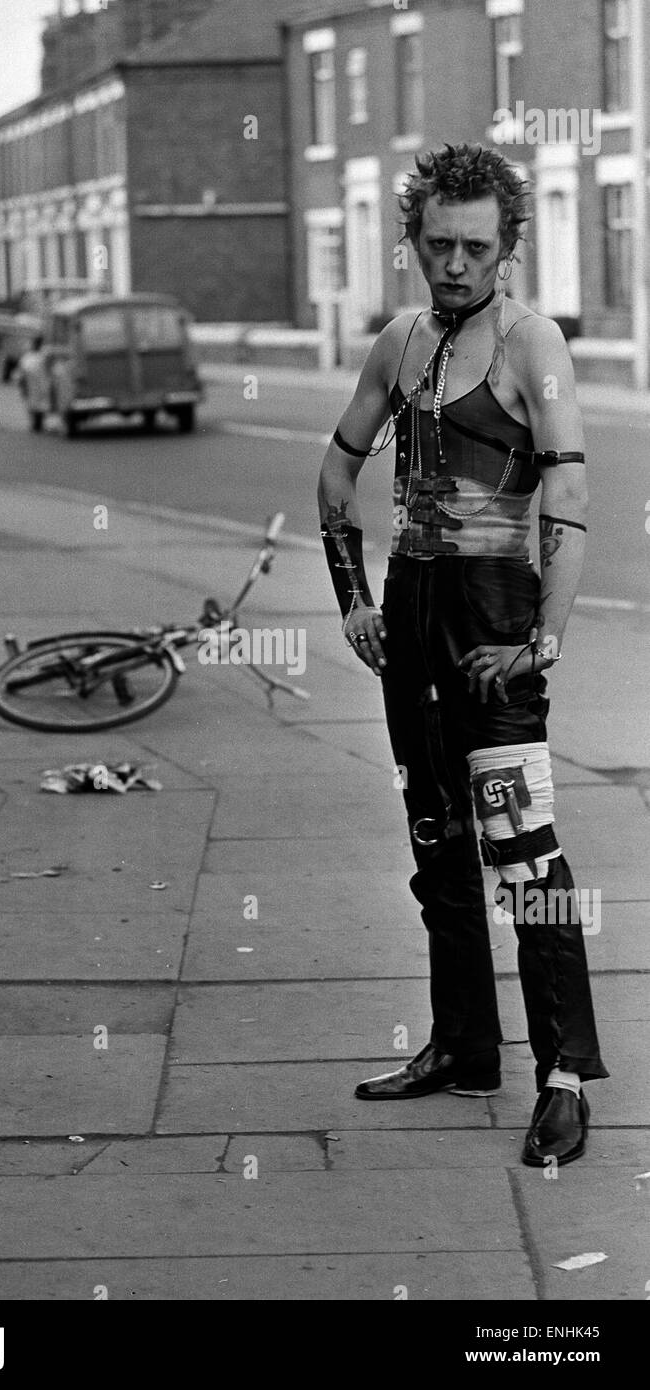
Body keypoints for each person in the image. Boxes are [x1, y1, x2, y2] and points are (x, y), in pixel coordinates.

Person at [318, 144, 607, 1168]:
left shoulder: (536, 347)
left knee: (524, 851)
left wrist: (543, 640)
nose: (452, 265)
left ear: (507, 248)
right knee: (435, 839)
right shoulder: (398, 343)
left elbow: (566, 509)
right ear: (410, 242)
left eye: (474, 247)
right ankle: (463, 1045)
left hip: (492, 626)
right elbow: (334, 475)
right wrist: (353, 601)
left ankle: (562, 1077)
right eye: (435, 244)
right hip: (412, 616)